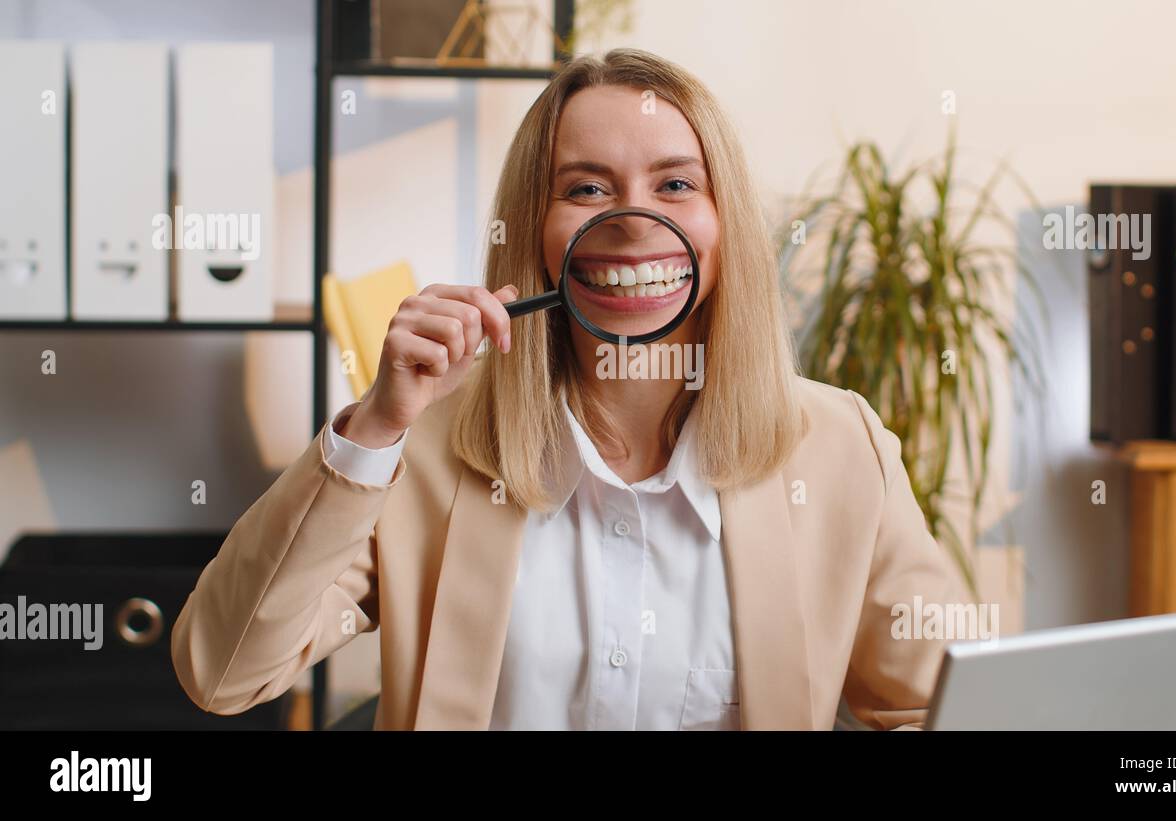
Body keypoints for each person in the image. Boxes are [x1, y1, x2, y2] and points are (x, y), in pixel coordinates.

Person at [171, 48, 971, 730]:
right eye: (586, 188)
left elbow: (940, 709)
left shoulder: (839, 449)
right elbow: (224, 668)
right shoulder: (423, 447)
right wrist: (375, 427)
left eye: (676, 185)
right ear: (537, 235)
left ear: (726, 226)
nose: (631, 219)